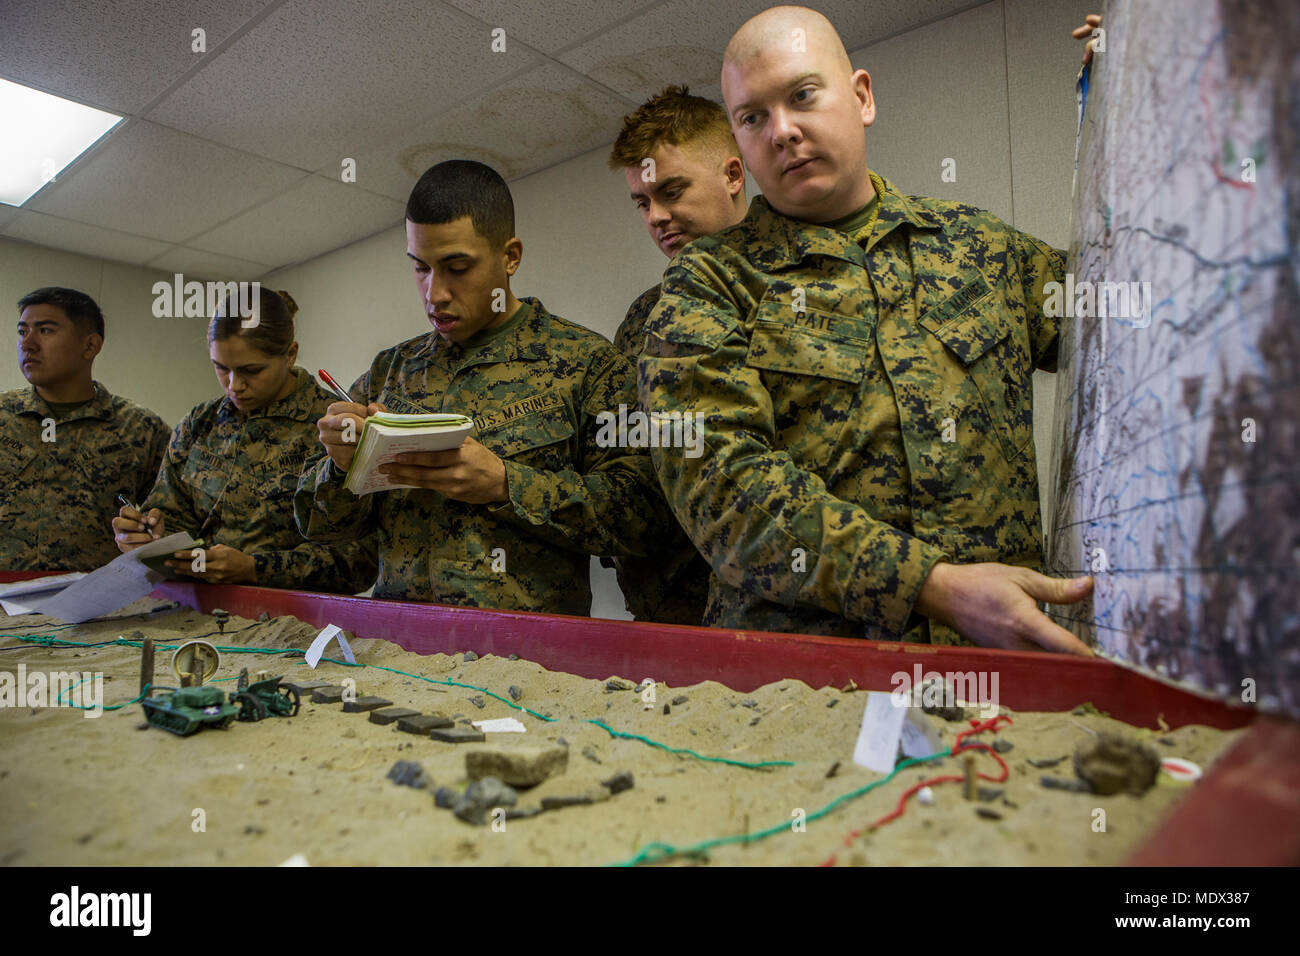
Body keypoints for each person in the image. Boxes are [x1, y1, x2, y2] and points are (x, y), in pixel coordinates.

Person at [639, 5, 1096, 653]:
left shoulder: (983, 247)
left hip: (1003, 665)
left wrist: (1131, 101)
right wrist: (930, 585)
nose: (783, 131)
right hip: (809, 681)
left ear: (861, 97)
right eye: (752, 117)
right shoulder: (708, 285)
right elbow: (721, 490)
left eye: (802, 96)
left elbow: (1133, 325)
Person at [295, 160, 663, 615]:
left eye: (457, 267)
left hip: (526, 660)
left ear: (510, 256)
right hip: (400, 649)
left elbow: (642, 518)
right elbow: (318, 526)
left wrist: (507, 485)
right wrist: (339, 466)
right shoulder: (389, 371)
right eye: (421, 269)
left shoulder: (586, 363)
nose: (435, 294)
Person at [111, 288, 378, 593]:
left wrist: (256, 570)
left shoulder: (336, 429)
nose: (234, 386)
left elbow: (361, 560)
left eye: (251, 370)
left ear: (290, 355)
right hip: (198, 613)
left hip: (296, 622)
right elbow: (169, 518)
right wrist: (146, 538)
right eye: (221, 368)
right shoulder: (199, 425)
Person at [601, 85, 751, 625]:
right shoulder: (645, 317)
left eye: (672, 191)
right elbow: (627, 455)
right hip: (669, 613)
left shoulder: (797, 284)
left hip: (787, 610)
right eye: (643, 202)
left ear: (733, 176)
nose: (656, 217)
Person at [1, 287, 169, 571]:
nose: (27, 344)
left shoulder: (141, 429)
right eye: (22, 331)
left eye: (45, 331)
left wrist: (151, 535)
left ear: (89, 346)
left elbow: (170, 524)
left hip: (96, 603)